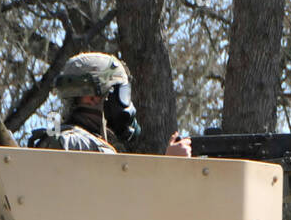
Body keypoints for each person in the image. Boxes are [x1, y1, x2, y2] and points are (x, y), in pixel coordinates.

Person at [28, 51, 191, 157]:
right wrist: (172, 166)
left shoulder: (59, 142)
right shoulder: (78, 146)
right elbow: (128, 206)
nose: (128, 105)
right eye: (123, 94)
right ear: (91, 98)